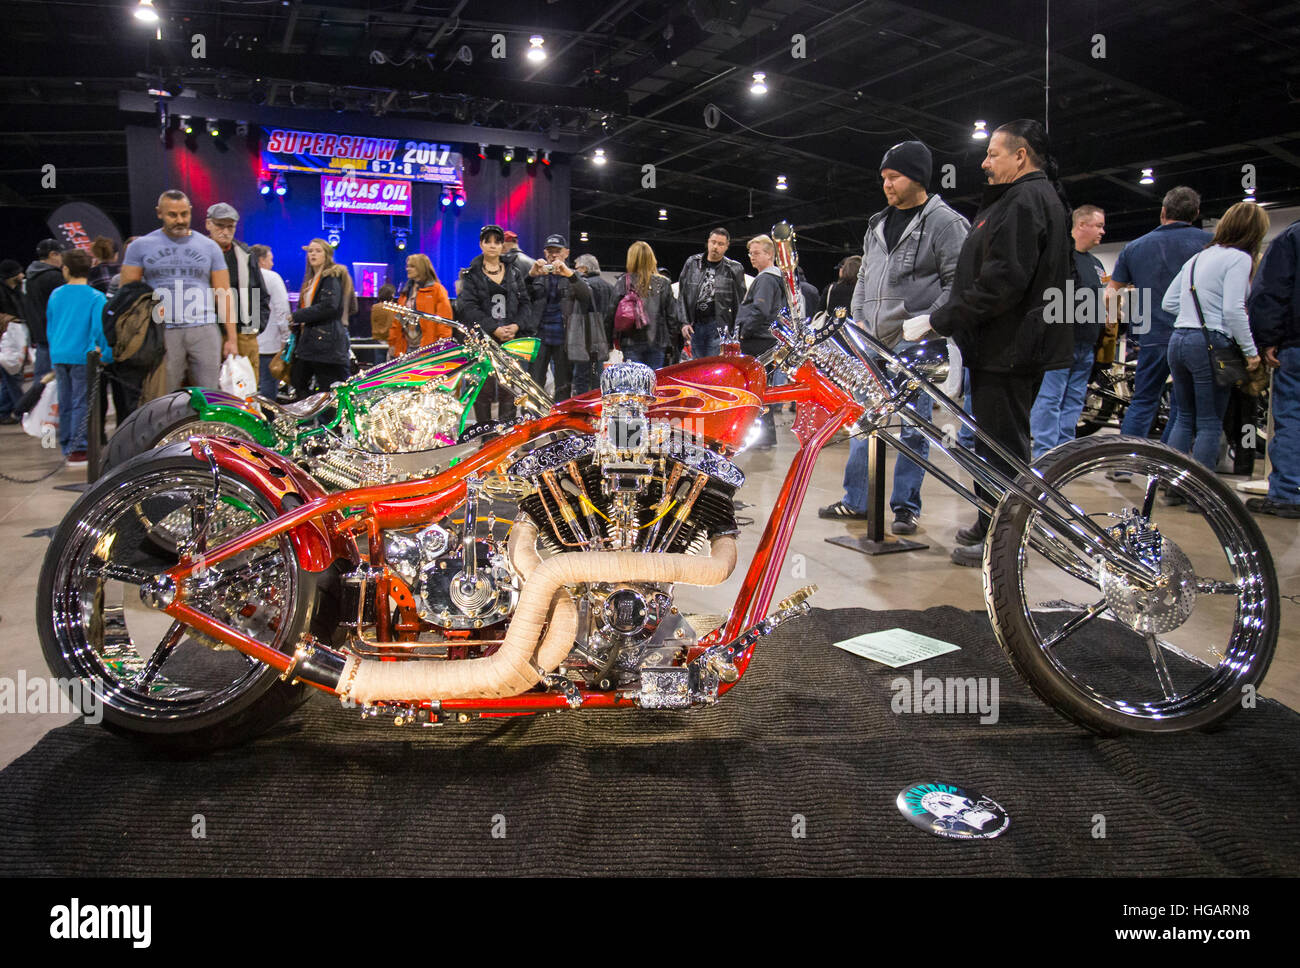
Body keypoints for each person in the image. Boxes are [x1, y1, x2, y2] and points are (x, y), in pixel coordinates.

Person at [928, 119, 1073, 566]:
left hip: (1009, 347)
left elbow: (1003, 280)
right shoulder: (1023, 198)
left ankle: (1006, 542)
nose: (985, 162)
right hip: (1003, 346)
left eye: (993, 153)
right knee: (995, 442)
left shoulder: (1025, 200)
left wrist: (944, 318)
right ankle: (992, 517)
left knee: (1003, 447)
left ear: (1021, 155)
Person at [821, 140, 970, 533]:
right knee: (863, 420)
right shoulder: (877, 224)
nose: (886, 184)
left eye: (895, 176)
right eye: (884, 177)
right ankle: (856, 500)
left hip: (917, 341)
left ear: (918, 177)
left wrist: (930, 321)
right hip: (872, 341)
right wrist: (858, 321)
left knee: (913, 425)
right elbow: (865, 277)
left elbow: (959, 282)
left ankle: (905, 506)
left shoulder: (945, 222)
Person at [1105, 187, 1212, 478]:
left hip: (1150, 334)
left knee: (1143, 400)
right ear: (1196, 214)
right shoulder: (1211, 245)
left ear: (1163, 213)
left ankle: (1123, 466)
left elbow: (1111, 295)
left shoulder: (1135, 247)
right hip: (1194, 335)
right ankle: (1164, 469)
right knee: (1182, 406)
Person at [1161, 202, 1265, 478]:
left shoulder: (1198, 258)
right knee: (1209, 421)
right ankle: (1201, 494)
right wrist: (1251, 352)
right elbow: (1233, 309)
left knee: (1184, 417)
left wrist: (1196, 312)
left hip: (1178, 340)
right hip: (1210, 344)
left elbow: (1168, 302)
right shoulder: (1240, 259)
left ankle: (1172, 486)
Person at [119, 190, 232, 391]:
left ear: (190, 211)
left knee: (211, 397)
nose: (179, 220)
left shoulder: (209, 247)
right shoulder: (140, 246)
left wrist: (232, 338)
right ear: (159, 213)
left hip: (204, 329)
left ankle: (207, 425)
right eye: (172, 215)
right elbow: (127, 295)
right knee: (163, 398)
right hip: (163, 331)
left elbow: (223, 293)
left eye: (184, 214)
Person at [1029, 204, 1107, 460]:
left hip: (1086, 344)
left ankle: (1065, 452)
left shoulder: (1096, 264)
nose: (1102, 231)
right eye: (1098, 225)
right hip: (1061, 342)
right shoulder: (1061, 256)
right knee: (1051, 398)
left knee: (1074, 399)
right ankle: (1045, 454)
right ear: (1081, 225)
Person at [1246, 216, 1300, 517]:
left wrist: (1267, 339)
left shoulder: (1291, 237)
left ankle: (1288, 494)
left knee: (1292, 417)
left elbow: (1271, 293)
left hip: (1295, 344)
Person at [457, 224, 532, 423]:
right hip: (483, 341)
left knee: (509, 389)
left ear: (502, 245)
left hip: (511, 339)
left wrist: (516, 325)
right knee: (483, 389)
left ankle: (505, 436)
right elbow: (468, 309)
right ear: (481, 244)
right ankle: (486, 437)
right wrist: (493, 328)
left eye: (497, 242)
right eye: (487, 241)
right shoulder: (471, 274)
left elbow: (525, 303)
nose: (492, 246)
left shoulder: (514, 272)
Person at [45, 248, 109, 466]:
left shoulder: (55, 294)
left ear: (66, 268)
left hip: (59, 354)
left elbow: (51, 327)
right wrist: (107, 354)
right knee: (80, 401)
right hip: (84, 356)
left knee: (65, 401)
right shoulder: (96, 297)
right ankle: (79, 448)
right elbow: (100, 330)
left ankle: (66, 445)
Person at [735, 234, 789, 448]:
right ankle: (764, 437)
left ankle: (762, 437)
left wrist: (743, 332)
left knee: (755, 390)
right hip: (766, 339)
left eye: (756, 253)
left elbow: (760, 310)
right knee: (760, 389)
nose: (752, 257)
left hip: (758, 340)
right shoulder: (775, 278)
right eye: (750, 253)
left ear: (770, 254)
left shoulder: (766, 279)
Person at [205, 202, 269, 376]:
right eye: (220, 225)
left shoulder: (245, 255)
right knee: (209, 392)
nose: (225, 231)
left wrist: (254, 327)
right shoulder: (198, 253)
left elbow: (260, 293)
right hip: (208, 334)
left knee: (246, 392)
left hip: (244, 334)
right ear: (208, 224)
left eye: (230, 226)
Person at [527, 233, 591, 402]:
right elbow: (521, 297)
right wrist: (531, 276)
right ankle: (533, 420)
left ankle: (559, 423)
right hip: (539, 335)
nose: (553, 255)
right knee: (534, 382)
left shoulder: (573, 275)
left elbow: (587, 296)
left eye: (557, 251)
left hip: (564, 337)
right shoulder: (537, 275)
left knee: (563, 384)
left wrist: (569, 274)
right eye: (550, 251)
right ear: (544, 253)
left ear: (566, 253)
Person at [290, 238, 354, 397]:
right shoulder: (312, 279)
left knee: (328, 391)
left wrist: (297, 316)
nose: (313, 254)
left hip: (325, 344)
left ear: (327, 255)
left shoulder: (331, 276)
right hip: (311, 342)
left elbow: (329, 306)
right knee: (300, 385)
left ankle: (326, 421)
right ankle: (307, 420)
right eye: (310, 251)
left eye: (318, 251)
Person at [605, 241, 677, 371]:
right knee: (654, 381)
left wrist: (608, 342)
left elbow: (611, 313)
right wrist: (672, 345)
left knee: (635, 384)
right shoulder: (664, 283)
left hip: (630, 341)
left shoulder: (624, 281)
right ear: (652, 259)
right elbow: (672, 317)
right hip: (658, 341)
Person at [13, 238, 65, 415]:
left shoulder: (30, 277)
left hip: (39, 335)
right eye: (60, 254)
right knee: (55, 382)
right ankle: (38, 414)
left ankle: (31, 413)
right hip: (55, 336)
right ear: (52, 254)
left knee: (41, 380)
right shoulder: (54, 277)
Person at [678, 228, 746, 360]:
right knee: (697, 366)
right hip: (695, 325)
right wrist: (684, 322)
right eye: (713, 242)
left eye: (720, 244)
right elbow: (683, 296)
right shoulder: (692, 263)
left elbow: (740, 302)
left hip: (719, 327)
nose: (715, 247)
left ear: (727, 246)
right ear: (708, 242)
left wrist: (736, 332)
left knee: (713, 366)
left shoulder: (734, 268)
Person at [388, 253, 453, 356]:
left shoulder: (437, 290)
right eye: (407, 266)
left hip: (428, 348)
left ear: (421, 268)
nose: (407, 269)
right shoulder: (405, 292)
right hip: (405, 348)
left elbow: (444, 321)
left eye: (412, 266)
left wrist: (443, 345)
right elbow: (397, 321)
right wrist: (392, 344)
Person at [251, 245, 291, 400]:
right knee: (268, 390)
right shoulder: (272, 277)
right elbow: (282, 311)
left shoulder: (242, 276)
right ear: (261, 260)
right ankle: (267, 421)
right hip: (269, 345)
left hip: (245, 343)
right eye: (270, 259)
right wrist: (286, 339)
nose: (272, 263)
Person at [572, 253, 613, 395]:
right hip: (602, 340)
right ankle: (597, 406)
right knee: (597, 375)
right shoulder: (609, 287)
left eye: (576, 268)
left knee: (581, 377)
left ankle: (581, 408)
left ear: (584, 268)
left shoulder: (584, 286)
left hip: (584, 339)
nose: (575, 270)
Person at [0, 260, 28, 423]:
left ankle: (3, 411)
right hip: (5, 338)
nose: (22, 275)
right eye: (19, 272)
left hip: (18, 336)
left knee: (9, 374)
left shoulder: (17, 291)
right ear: (11, 275)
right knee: (13, 376)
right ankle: (22, 410)